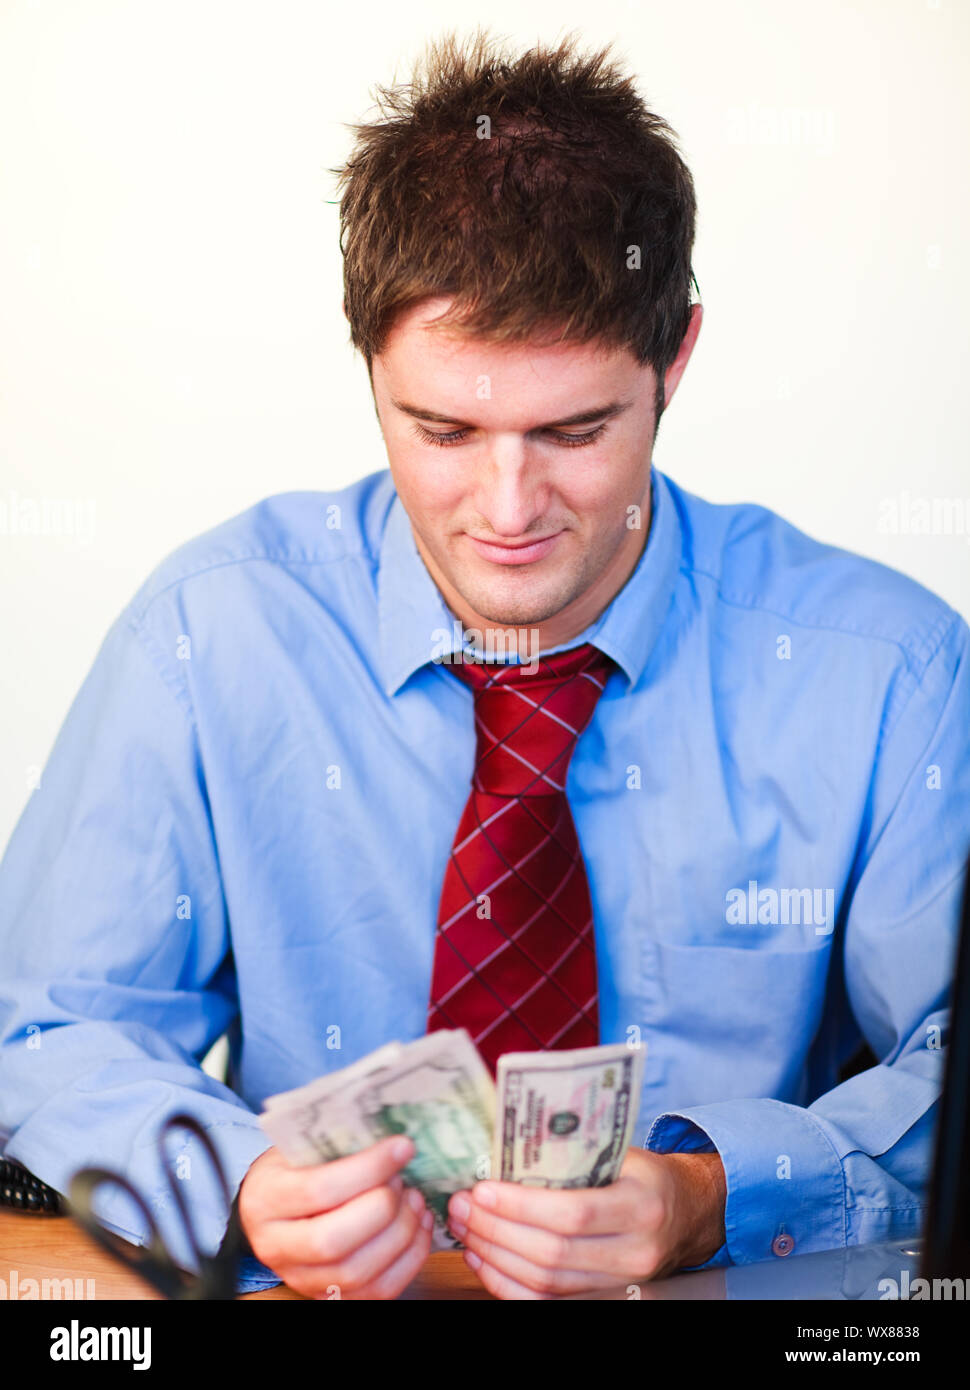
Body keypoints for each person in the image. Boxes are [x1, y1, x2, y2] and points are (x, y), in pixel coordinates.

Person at [1, 30, 967, 1302]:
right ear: (369, 369)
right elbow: (47, 1025)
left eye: (575, 429)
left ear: (674, 356)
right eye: (443, 428)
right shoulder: (210, 637)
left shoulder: (889, 675)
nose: (507, 509)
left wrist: (711, 1196)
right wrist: (235, 1186)